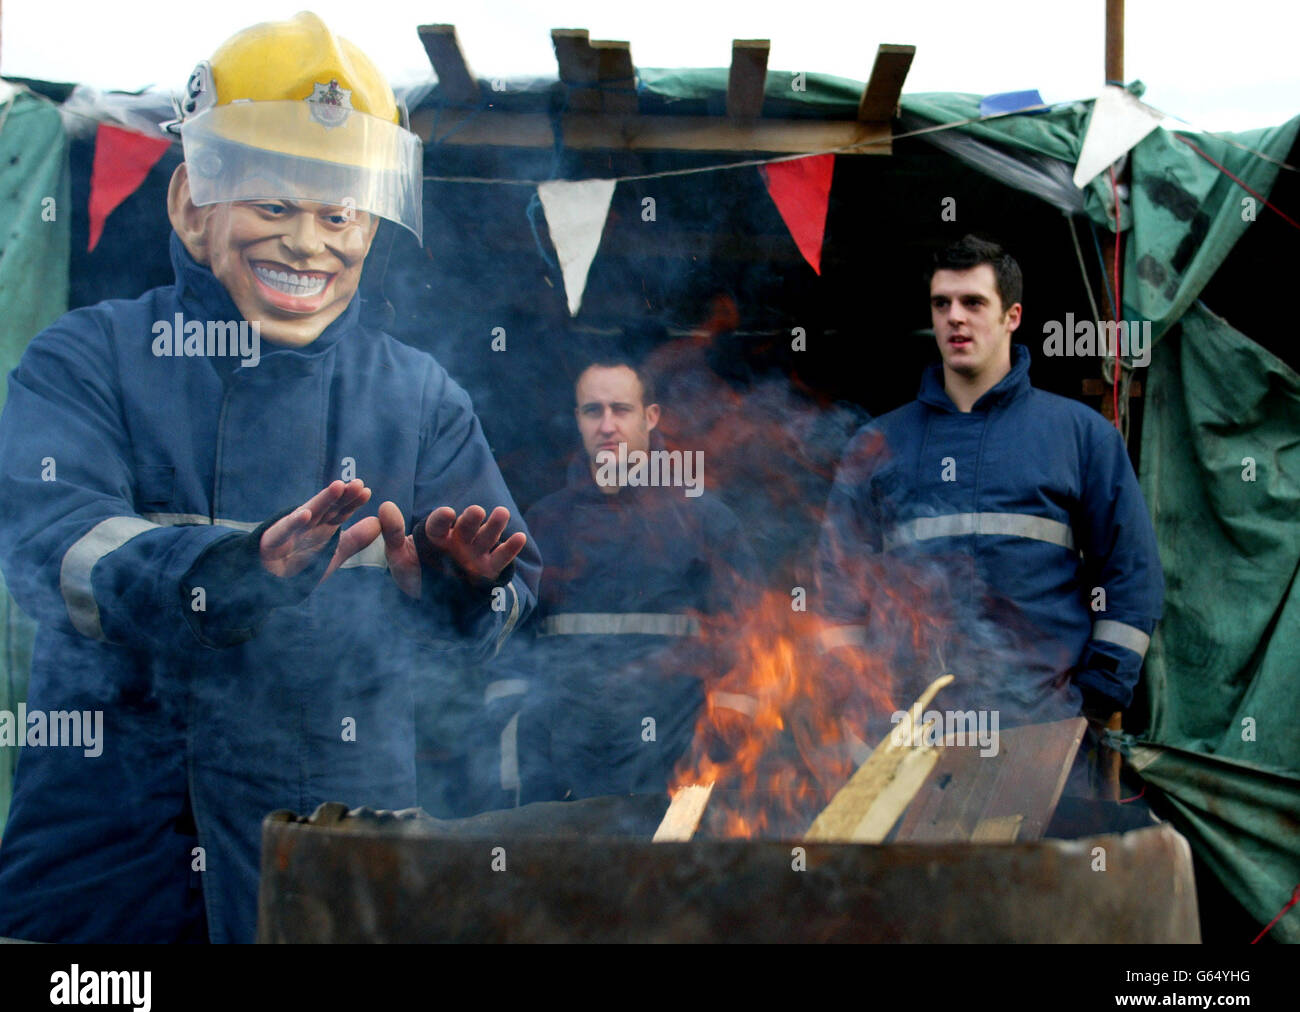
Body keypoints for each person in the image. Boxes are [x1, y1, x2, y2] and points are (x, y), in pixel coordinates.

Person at [0, 13, 539, 943]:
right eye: (274, 205)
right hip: (106, 886)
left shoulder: (419, 398)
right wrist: (228, 571)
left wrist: (458, 597)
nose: (308, 244)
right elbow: (52, 549)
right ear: (189, 206)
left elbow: (506, 610)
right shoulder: (86, 359)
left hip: (336, 886)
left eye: (340, 214)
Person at [816, 235, 1164, 770]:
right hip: (908, 744)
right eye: (942, 304)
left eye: (974, 302)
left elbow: (1132, 576)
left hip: (1045, 738)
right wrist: (858, 707)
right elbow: (838, 595)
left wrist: (1092, 704)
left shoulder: (1081, 437)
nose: (955, 318)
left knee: (1047, 861)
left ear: (1012, 315)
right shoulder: (875, 447)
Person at [475, 357, 758, 806]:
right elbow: (512, 653)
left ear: (651, 417)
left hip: (674, 774)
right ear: (578, 421)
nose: (607, 425)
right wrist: (522, 761)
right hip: (564, 778)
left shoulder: (704, 521)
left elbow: (745, 641)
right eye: (593, 411)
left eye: (621, 410)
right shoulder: (544, 524)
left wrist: (719, 762)